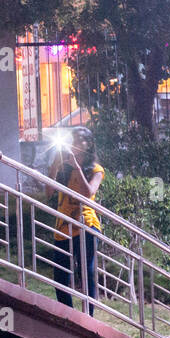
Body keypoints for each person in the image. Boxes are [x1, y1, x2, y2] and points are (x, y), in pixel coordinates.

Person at [43, 126, 104, 313]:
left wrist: (77, 167)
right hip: (62, 228)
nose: (75, 145)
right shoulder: (63, 167)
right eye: (73, 141)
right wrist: (55, 166)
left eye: (79, 141)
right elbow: (48, 193)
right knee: (59, 278)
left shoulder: (96, 169)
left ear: (89, 144)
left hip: (86, 226)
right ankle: (68, 316)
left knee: (87, 273)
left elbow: (88, 193)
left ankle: (88, 318)